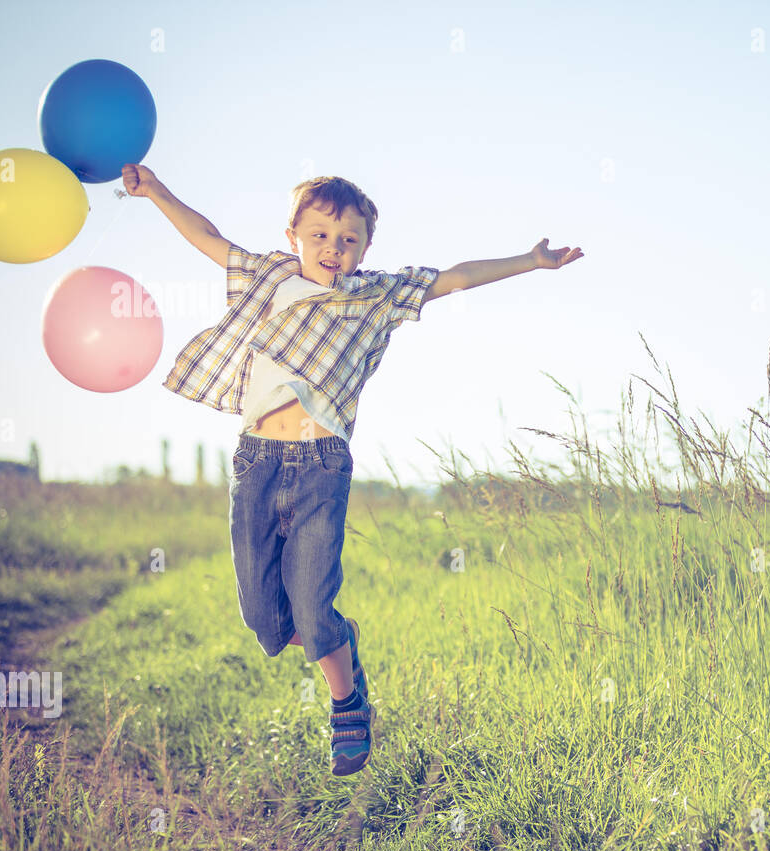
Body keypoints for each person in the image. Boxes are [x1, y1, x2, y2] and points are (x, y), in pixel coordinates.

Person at [121, 163, 583, 774]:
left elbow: (455, 278)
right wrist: (155, 191)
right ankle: (335, 640)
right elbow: (207, 238)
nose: (333, 250)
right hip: (256, 462)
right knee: (262, 617)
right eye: (319, 236)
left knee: (313, 606)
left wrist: (529, 261)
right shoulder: (267, 278)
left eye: (348, 240)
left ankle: (347, 700)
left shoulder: (375, 295)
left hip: (321, 465)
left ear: (366, 247)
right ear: (294, 236)